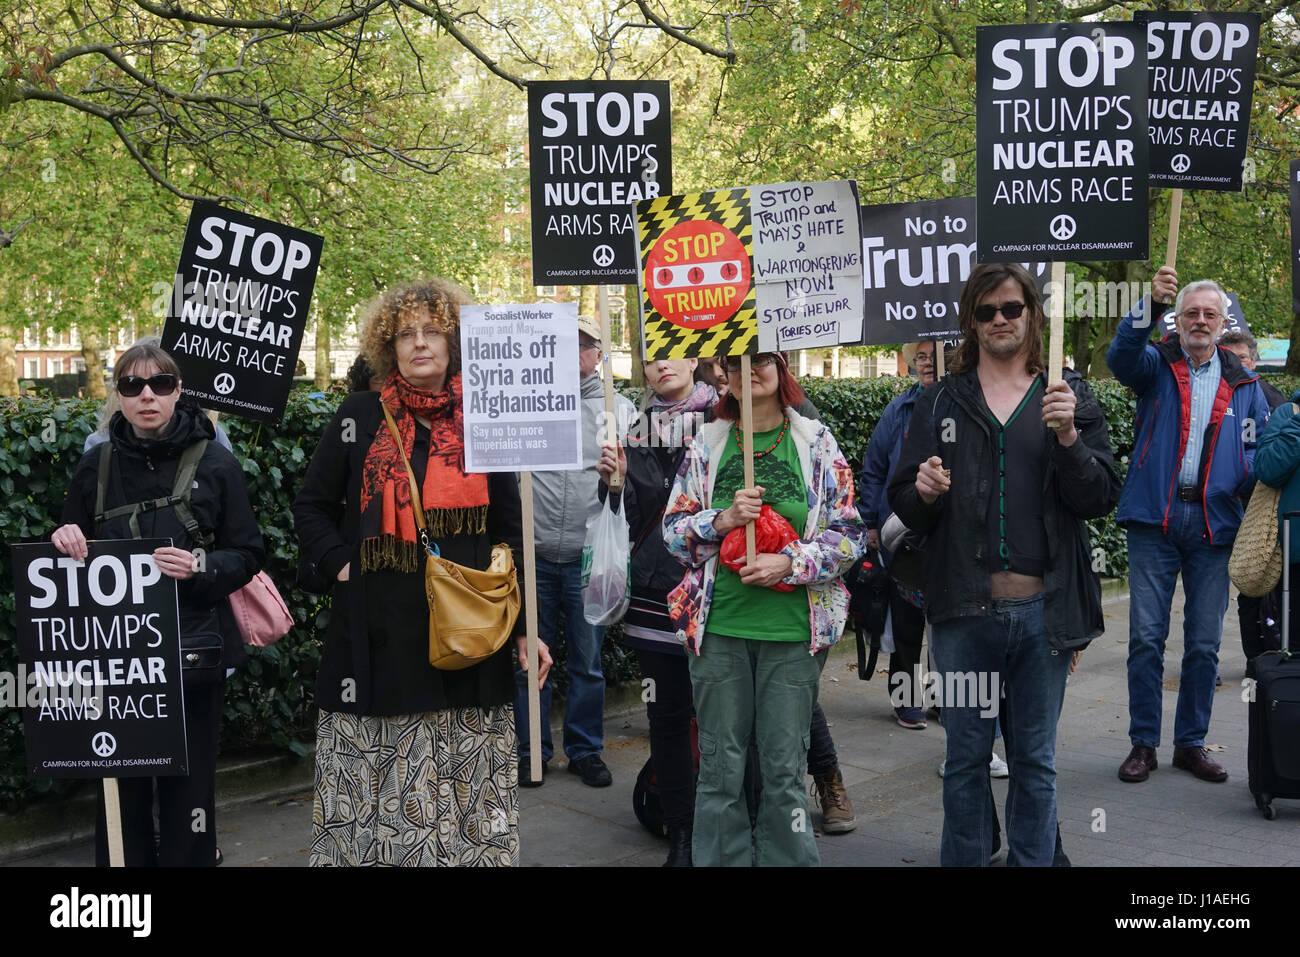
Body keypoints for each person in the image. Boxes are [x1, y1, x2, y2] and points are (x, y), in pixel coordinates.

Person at [293, 278, 550, 866]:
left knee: (468, 767)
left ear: (454, 340)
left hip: (472, 629)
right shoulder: (360, 414)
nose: (420, 344)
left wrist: (526, 628)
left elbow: (511, 531)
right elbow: (311, 505)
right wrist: (339, 566)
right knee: (385, 774)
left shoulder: (489, 415)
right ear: (389, 346)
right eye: (406, 333)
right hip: (381, 631)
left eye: (433, 331)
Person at [889, 262, 1120, 866]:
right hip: (964, 612)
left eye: (1011, 308)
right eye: (986, 311)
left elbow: (1099, 496)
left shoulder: (1066, 394)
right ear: (971, 319)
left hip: (1044, 613)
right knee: (964, 760)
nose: (999, 320)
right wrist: (926, 490)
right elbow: (903, 502)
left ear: (1031, 315)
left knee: (1035, 763)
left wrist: (1069, 438)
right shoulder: (941, 398)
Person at [52, 340, 263, 867]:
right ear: (119, 395)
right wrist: (64, 539)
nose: (147, 395)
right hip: (115, 655)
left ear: (178, 391)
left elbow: (250, 551)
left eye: (160, 384)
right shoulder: (94, 464)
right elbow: (64, 539)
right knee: (118, 786)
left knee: (189, 789)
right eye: (132, 385)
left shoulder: (215, 460)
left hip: (192, 651)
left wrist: (201, 567)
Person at [663, 350, 865, 866]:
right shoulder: (707, 443)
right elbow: (673, 533)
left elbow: (850, 536)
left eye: (760, 361)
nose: (747, 371)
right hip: (719, 631)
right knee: (720, 769)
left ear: (782, 372)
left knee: (783, 769)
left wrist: (790, 563)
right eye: (734, 364)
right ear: (722, 377)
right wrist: (723, 519)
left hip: (793, 634)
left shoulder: (815, 442)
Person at [1106, 267, 1271, 785]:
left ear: (1224, 324)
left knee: (1203, 644)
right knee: (1146, 640)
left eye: (1209, 315)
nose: (1200, 321)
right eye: (1190, 313)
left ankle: (1191, 744)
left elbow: (1259, 450)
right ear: (1177, 321)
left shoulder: (1245, 383)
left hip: (1214, 524)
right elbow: (1120, 356)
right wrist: (1148, 306)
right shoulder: (1155, 363)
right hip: (1154, 519)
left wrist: (1245, 484)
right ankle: (1142, 744)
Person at [598, 356, 715, 865]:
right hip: (653, 597)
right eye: (650, 359)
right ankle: (682, 833)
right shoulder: (636, 428)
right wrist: (616, 484)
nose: (661, 365)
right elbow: (628, 518)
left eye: (671, 354)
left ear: (693, 359)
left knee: (721, 716)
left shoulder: (727, 419)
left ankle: (728, 821)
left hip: (713, 595)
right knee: (666, 718)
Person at [514, 316, 635, 788]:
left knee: (588, 661)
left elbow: (635, 492)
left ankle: (585, 750)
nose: (571, 353)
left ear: (599, 354)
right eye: (562, 343)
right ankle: (532, 753)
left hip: (589, 559)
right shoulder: (525, 402)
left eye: (582, 345)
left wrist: (619, 479)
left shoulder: (618, 410)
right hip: (535, 553)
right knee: (529, 661)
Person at [860, 340, 935, 730]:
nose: (927, 363)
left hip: (949, 534)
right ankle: (905, 700)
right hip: (902, 533)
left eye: (935, 355)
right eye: (920, 356)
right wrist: (871, 525)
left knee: (949, 623)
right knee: (906, 622)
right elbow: (873, 470)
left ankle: (944, 698)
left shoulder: (967, 402)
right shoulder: (899, 410)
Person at [1219, 328, 1288, 661]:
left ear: (1254, 361)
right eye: (1228, 358)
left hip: (1259, 512)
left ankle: (1267, 658)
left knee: (1261, 583)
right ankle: (1255, 662)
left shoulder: (1272, 398)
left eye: (1241, 358)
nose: (1235, 365)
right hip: (1217, 510)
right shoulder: (1211, 396)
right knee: (1240, 590)